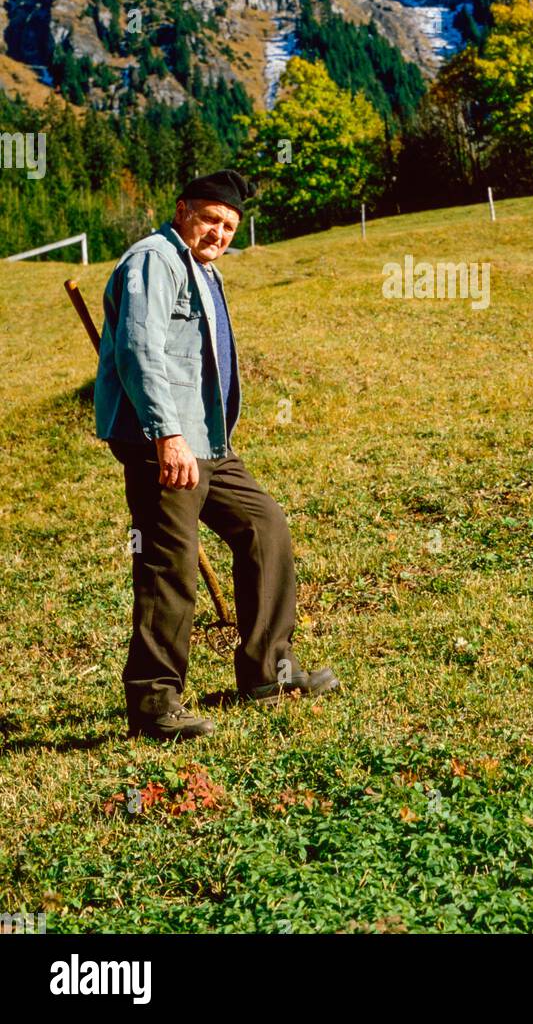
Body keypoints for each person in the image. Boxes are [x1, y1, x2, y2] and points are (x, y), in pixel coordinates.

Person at [94, 168, 338, 741]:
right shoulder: (154, 258)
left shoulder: (201, 269)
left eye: (228, 226)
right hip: (166, 444)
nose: (219, 233)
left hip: (210, 444)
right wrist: (166, 433)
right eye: (209, 219)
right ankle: (155, 705)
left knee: (265, 526)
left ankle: (266, 672)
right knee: (169, 567)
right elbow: (138, 348)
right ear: (182, 211)